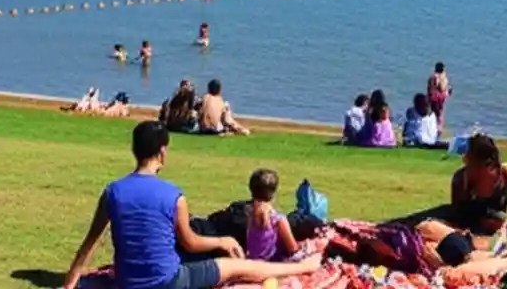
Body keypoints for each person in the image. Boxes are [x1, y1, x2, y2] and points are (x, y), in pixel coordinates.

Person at [62, 122, 321, 289]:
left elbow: (89, 244)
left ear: (134, 150)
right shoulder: (173, 195)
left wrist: (69, 284)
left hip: (127, 281)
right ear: (162, 152)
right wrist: (223, 241)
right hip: (168, 282)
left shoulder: (112, 192)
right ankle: (303, 267)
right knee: (236, 267)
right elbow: (191, 243)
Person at [396, 134, 507, 249]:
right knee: (416, 222)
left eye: (469, 156)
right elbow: (458, 215)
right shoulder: (461, 178)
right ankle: (389, 227)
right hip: (465, 223)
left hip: (486, 227)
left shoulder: (504, 173)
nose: (465, 159)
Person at [245, 169, 298, 261]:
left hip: (253, 262)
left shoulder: (250, 214)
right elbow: (293, 250)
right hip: (271, 264)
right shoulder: (277, 219)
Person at [427, 62, 452, 129]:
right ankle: (437, 130)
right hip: (439, 99)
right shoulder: (442, 77)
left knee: (431, 115)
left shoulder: (432, 77)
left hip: (431, 98)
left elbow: (429, 89)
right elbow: (442, 88)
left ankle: (430, 129)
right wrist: (448, 90)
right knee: (439, 116)